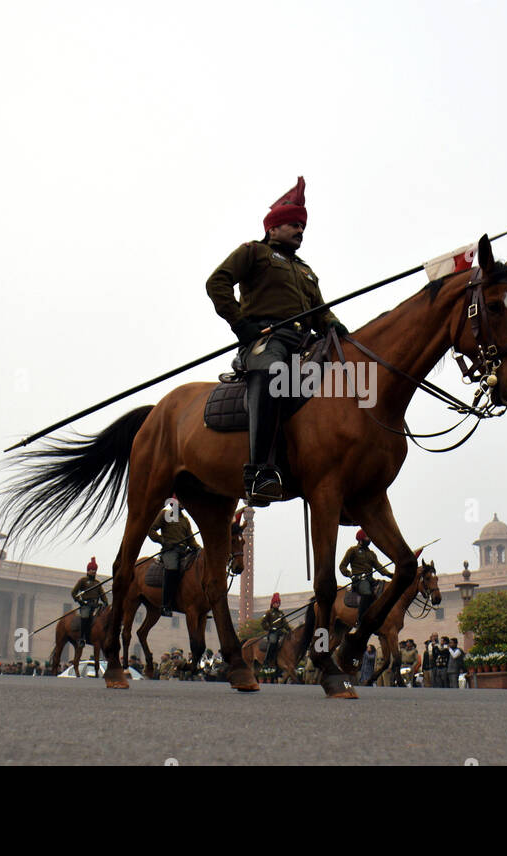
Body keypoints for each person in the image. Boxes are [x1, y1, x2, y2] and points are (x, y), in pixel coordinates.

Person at [205, 176, 349, 505]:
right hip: (267, 340)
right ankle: (260, 473)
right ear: (273, 228)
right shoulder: (254, 252)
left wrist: (335, 324)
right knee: (273, 375)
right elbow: (217, 283)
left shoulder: (306, 272)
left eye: (302, 225)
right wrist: (240, 324)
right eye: (293, 225)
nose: (300, 230)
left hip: (306, 343)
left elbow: (320, 311)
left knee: (351, 379)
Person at [149, 498, 197, 617]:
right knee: (172, 569)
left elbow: (191, 539)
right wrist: (163, 541)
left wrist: (199, 549)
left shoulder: (185, 520)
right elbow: (151, 530)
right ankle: (166, 605)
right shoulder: (165, 514)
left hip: (183, 551)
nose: (182, 504)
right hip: (170, 550)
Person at [339, 530, 388, 626]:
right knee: (367, 593)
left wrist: (391, 575)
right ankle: (360, 620)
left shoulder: (371, 554)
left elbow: (380, 568)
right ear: (361, 539)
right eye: (366, 537)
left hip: (370, 579)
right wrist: (350, 575)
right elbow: (342, 566)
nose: (369, 539)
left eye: (369, 538)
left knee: (382, 591)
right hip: (359, 580)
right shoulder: (353, 551)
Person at [70, 557, 105, 644]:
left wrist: (106, 602)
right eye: (92, 570)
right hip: (86, 605)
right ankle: (82, 638)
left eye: (95, 570)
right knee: (85, 618)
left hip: (95, 605)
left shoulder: (97, 583)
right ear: (88, 570)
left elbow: (102, 594)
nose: (93, 572)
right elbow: (74, 592)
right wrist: (80, 601)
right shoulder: (83, 581)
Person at [260, 593, 290, 680]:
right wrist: (269, 628)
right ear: (272, 603)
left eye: (278, 603)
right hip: (272, 633)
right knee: (273, 642)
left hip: (280, 632)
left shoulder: (281, 614)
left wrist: (289, 630)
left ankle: (280, 665)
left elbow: (285, 623)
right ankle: (267, 661)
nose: (277, 604)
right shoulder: (269, 612)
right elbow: (263, 622)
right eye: (275, 603)